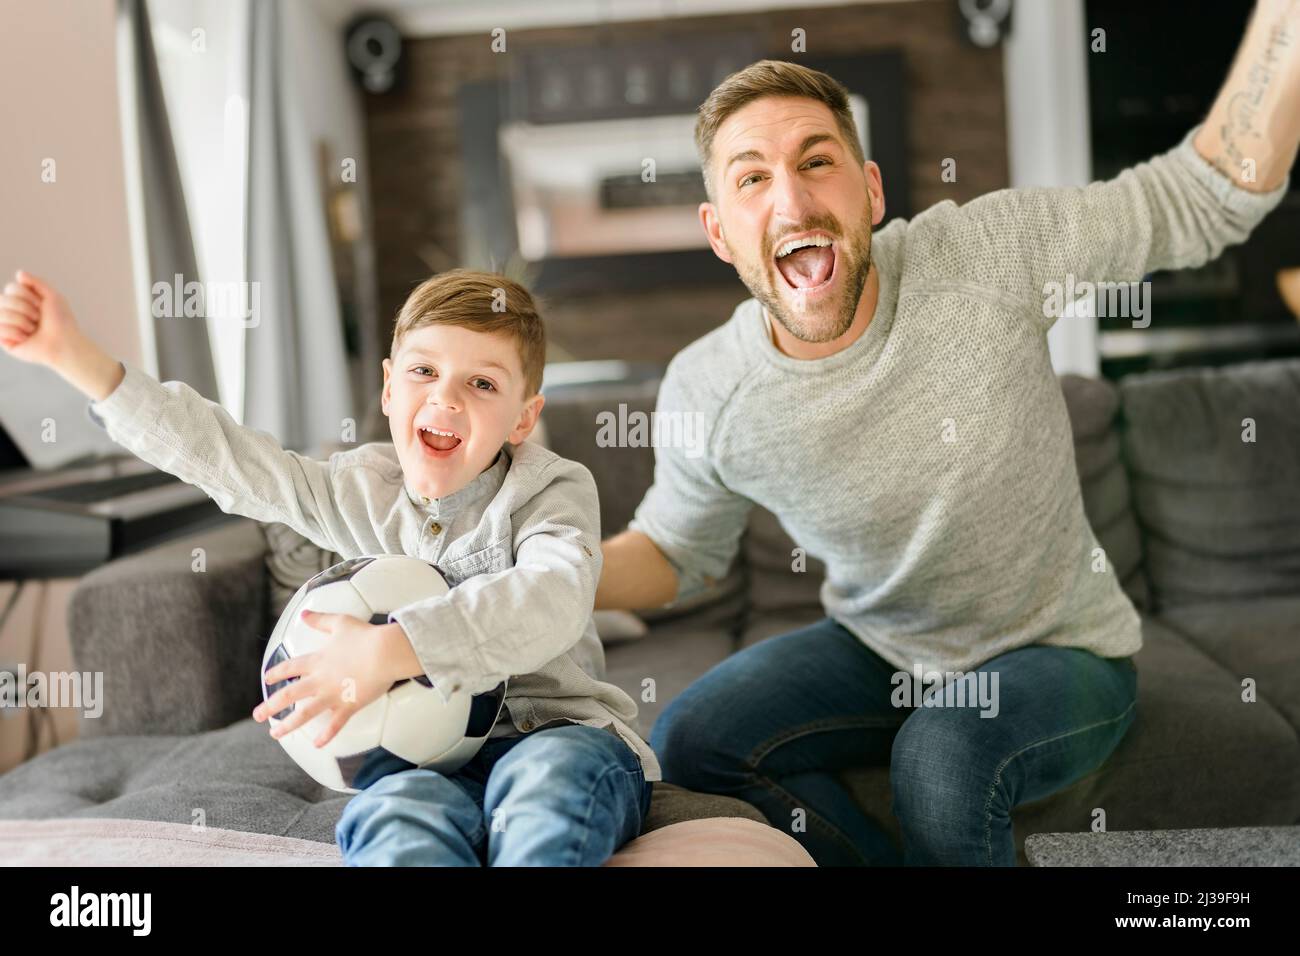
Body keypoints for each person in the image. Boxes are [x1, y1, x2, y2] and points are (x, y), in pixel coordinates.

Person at [596, 2, 1299, 866]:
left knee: (939, 756)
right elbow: (677, 550)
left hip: (1058, 648)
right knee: (694, 736)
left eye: (819, 161)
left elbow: (1206, 194)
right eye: (750, 178)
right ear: (718, 232)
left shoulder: (986, 255)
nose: (791, 197)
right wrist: (530, 576)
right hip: (880, 643)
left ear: (872, 191)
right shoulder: (709, 384)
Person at [0, 268, 657, 866]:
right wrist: (73, 357)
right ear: (388, 389)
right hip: (418, 757)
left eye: (482, 384)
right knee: (394, 820)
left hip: (556, 735)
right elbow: (230, 461)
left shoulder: (549, 489)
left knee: (545, 797)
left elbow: (556, 593)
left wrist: (394, 649)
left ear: (523, 418)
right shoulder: (360, 488)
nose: (446, 399)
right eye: (424, 372)